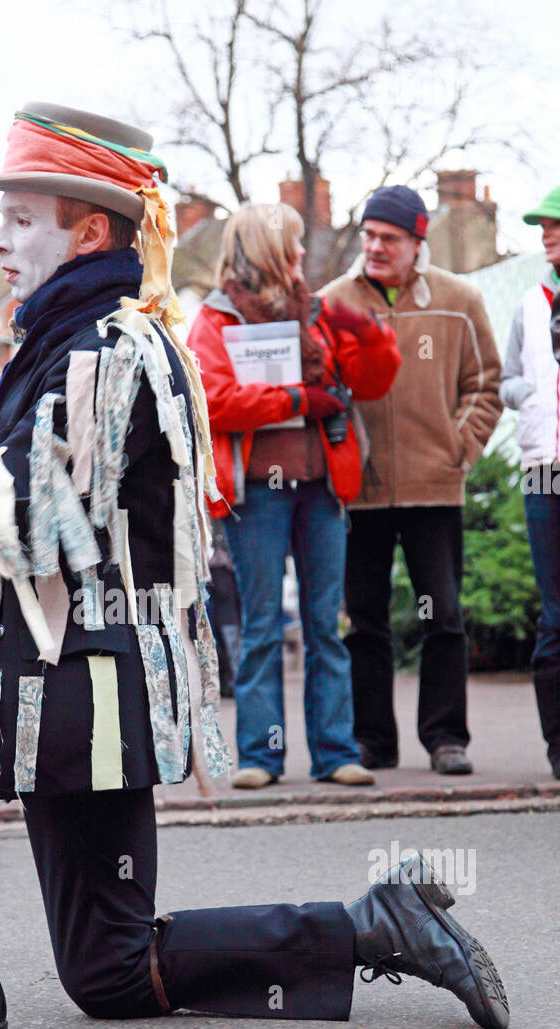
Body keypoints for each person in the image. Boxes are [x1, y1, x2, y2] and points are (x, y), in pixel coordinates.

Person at [0, 104, 508, 1029]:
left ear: (90, 231)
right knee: (113, 972)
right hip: (86, 679)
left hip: (64, 682)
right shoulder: (77, 341)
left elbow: (15, 525)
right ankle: (376, 925)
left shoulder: (108, 351)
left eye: (22, 217)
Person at [188, 203, 401, 788]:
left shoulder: (319, 313)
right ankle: (261, 757)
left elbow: (372, 380)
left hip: (322, 489)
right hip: (257, 494)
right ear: (266, 250)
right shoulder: (216, 318)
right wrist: (298, 402)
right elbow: (212, 399)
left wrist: (372, 334)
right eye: (294, 245)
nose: (304, 255)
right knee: (261, 627)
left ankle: (336, 754)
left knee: (325, 625)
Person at [322, 187, 502, 775]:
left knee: (441, 616)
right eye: (369, 235)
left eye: (389, 238)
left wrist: (459, 450)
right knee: (365, 619)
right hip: (360, 493)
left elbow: (485, 386)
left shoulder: (459, 300)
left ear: (416, 243)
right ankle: (375, 742)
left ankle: (447, 738)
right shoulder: (332, 303)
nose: (374, 246)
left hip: (433, 487)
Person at [500, 187, 560, 776]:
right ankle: (558, 749)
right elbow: (506, 381)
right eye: (542, 226)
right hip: (545, 471)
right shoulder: (530, 304)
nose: (546, 234)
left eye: (555, 225)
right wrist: (533, 392)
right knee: (555, 616)